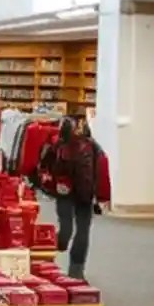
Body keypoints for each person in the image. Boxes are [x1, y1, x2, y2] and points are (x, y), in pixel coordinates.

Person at [45, 117, 107, 280]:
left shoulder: (60, 145)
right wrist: (102, 197)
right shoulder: (92, 147)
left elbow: (45, 167)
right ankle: (72, 266)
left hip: (73, 194)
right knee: (77, 231)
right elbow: (102, 172)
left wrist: (50, 185)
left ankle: (70, 262)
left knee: (74, 230)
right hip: (79, 194)